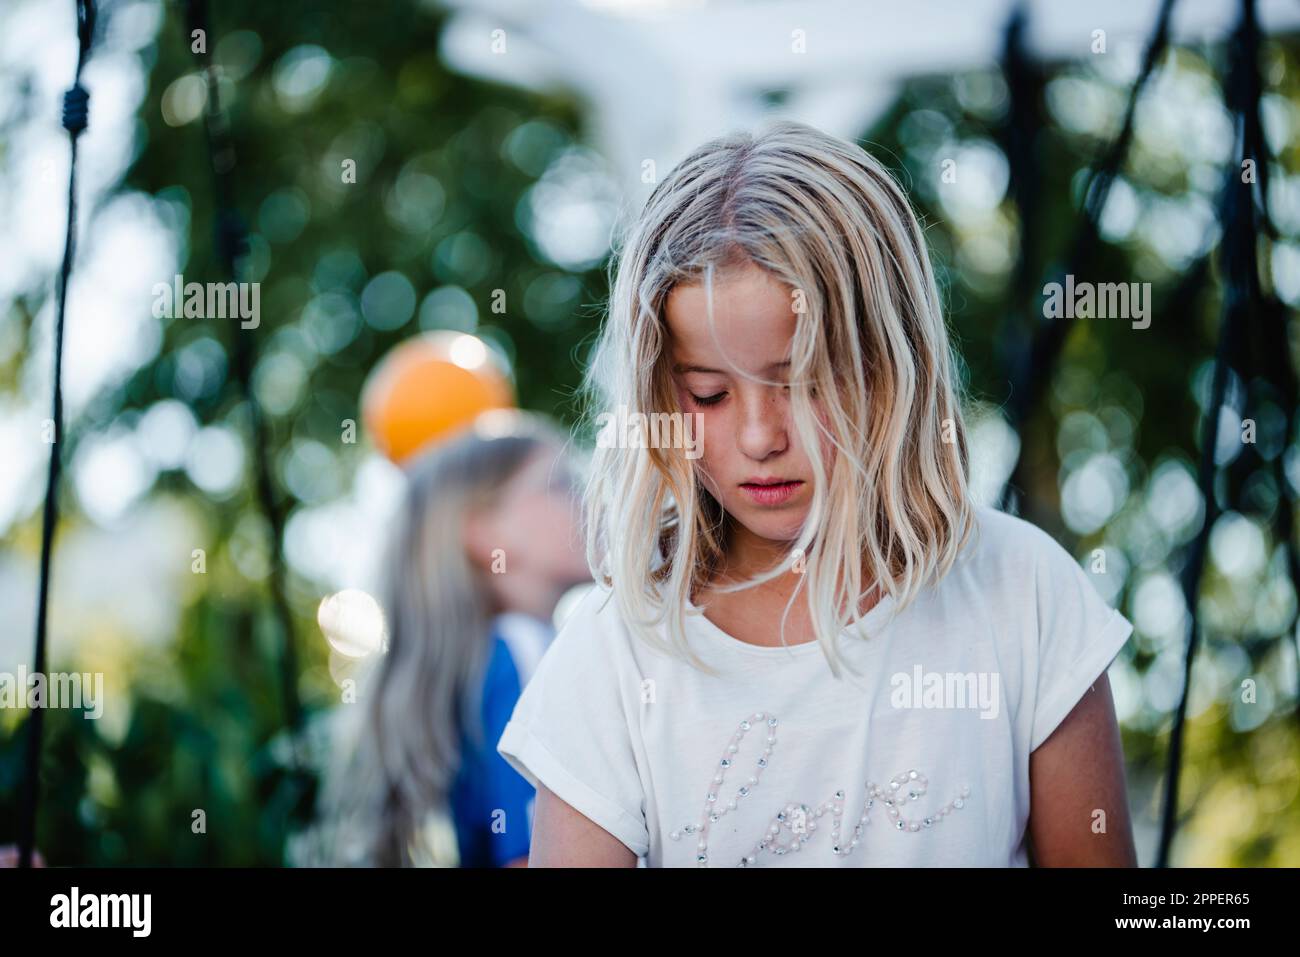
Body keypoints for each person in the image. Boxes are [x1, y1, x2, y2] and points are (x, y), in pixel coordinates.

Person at [497, 120, 1138, 867]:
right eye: (708, 394)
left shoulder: (1023, 591)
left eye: (803, 383)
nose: (761, 435)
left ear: (890, 363)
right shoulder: (614, 652)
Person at [319, 411, 591, 867]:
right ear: (486, 535)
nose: (587, 495)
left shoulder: (488, 662)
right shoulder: (524, 652)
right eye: (559, 485)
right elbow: (531, 857)